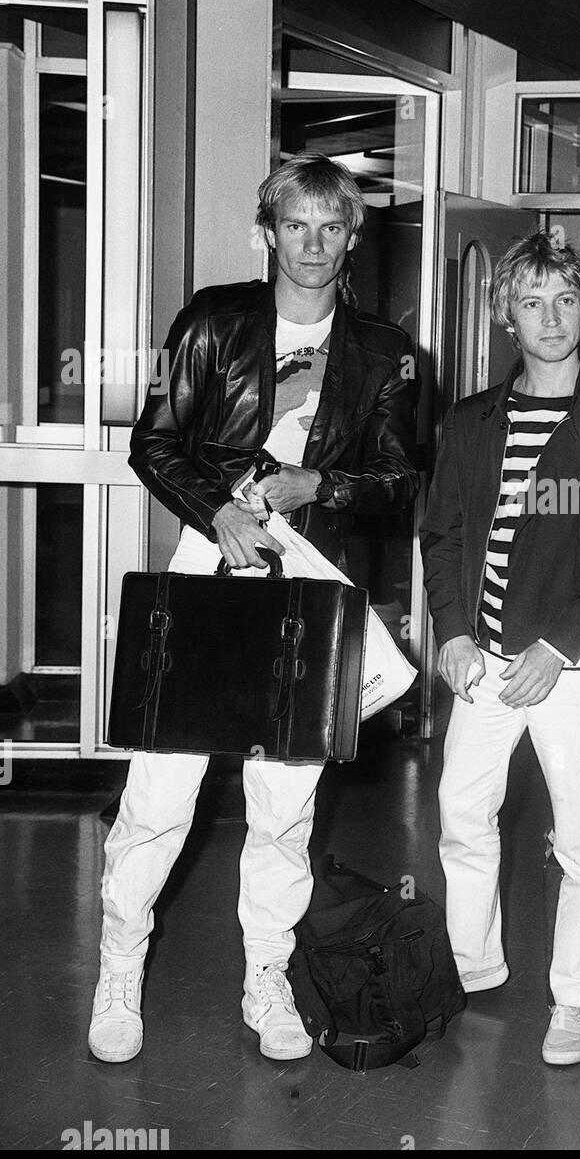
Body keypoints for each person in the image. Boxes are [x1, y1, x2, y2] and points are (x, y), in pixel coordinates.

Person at [89, 152, 418, 1063]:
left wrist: (322, 482)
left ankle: (265, 975)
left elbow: (397, 483)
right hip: (207, 568)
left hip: (310, 586)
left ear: (353, 238)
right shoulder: (213, 320)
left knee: (283, 804)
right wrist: (221, 509)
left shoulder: (385, 353)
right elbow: (153, 445)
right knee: (160, 793)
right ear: (267, 232)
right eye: (296, 225)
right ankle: (120, 966)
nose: (312, 245)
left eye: (332, 227)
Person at [421, 231, 580, 1065]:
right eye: (531, 301)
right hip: (484, 660)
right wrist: (452, 630)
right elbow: (442, 532)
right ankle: (470, 961)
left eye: (565, 300)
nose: (550, 317)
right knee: (462, 814)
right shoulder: (469, 421)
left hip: (570, 667)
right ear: (505, 319)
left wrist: (556, 648)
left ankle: (576, 998)